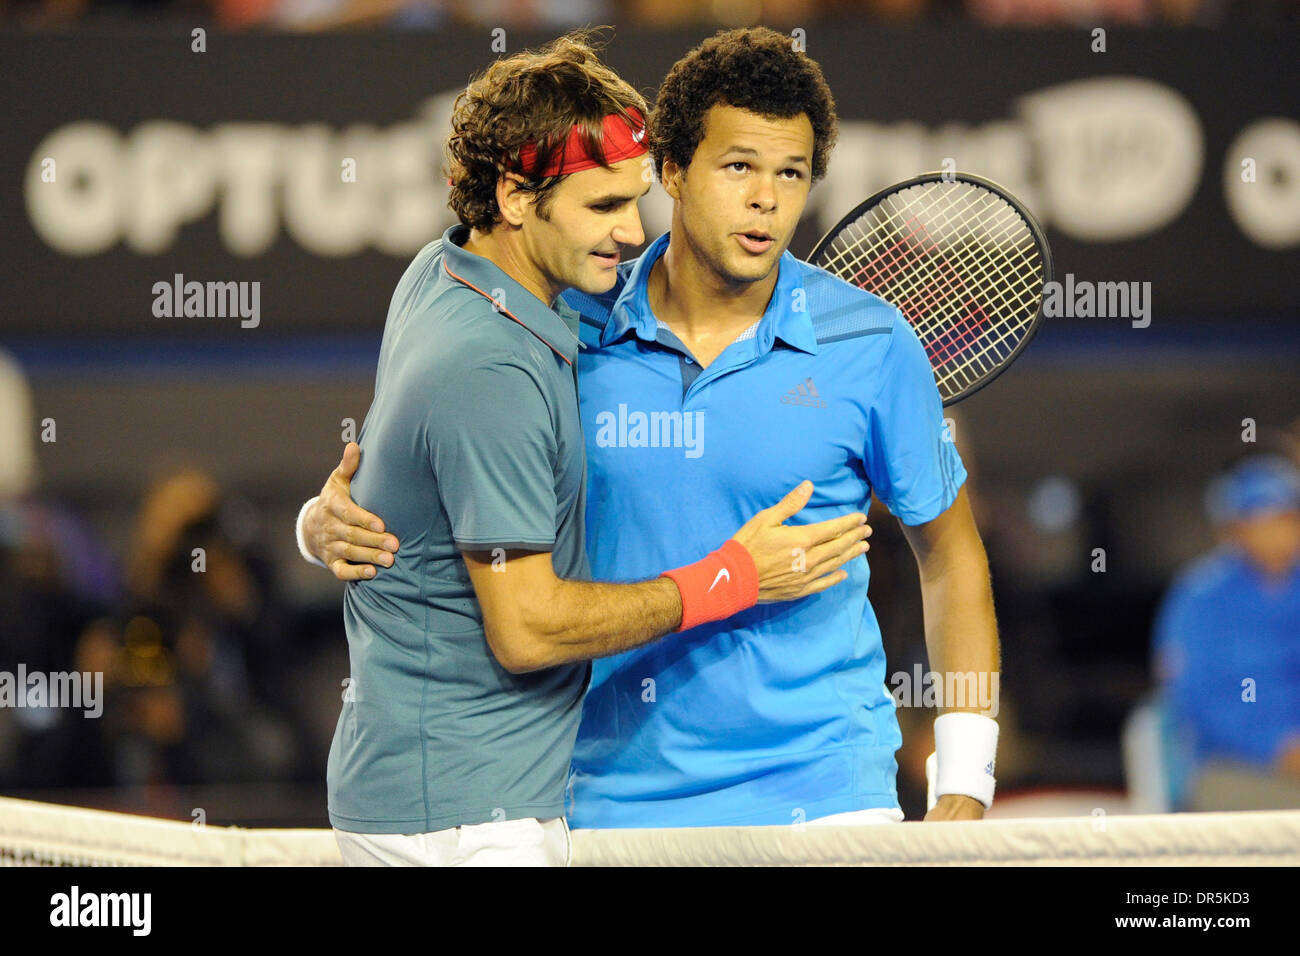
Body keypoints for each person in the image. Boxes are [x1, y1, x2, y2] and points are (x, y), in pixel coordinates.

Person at [303, 27, 1000, 834]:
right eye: (738, 166)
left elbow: (950, 554)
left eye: (792, 173)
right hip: (602, 805)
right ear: (669, 171)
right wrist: (319, 524)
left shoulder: (871, 345)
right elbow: (441, 455)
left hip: (825, 794)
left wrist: (965, 780)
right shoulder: (563, 326)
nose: (767, 200)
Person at [1152, 452, 1300, 806]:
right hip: (1234, 765)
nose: (1276, 531)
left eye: (1284, 517)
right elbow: (1194, 696)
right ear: (1236, 529)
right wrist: (1279, 748)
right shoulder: (1200, 597)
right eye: (1261, 520)